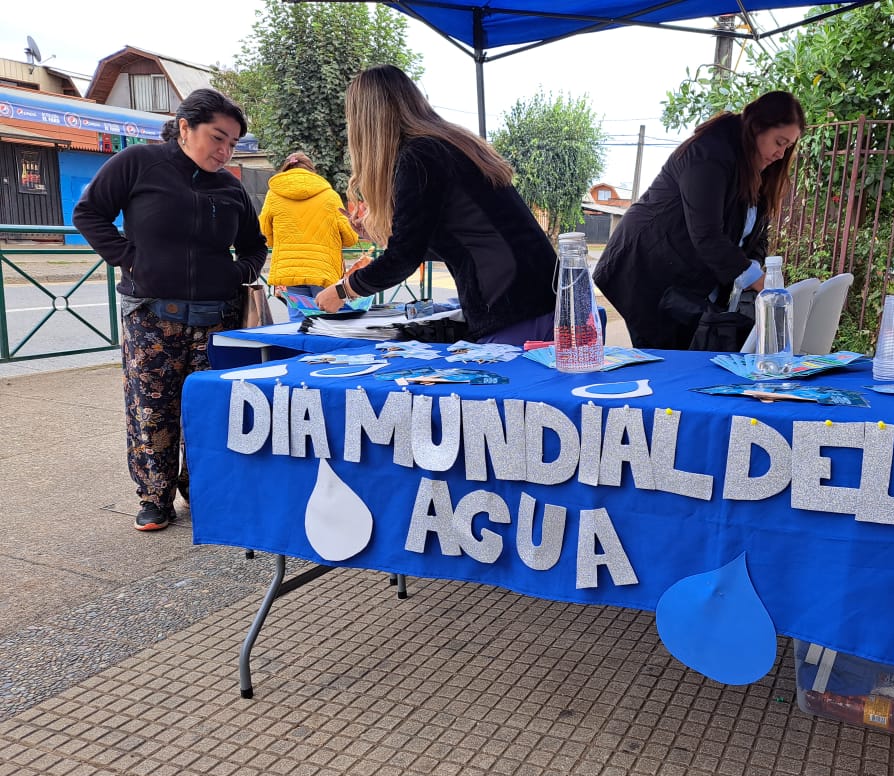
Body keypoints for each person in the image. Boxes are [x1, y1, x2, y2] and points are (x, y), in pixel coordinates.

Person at [73, 88, 267, 532]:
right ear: (184, 127)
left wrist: (238, 272)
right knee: (151, 409)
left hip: (217, 317)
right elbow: (89, 213)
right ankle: (153, 497)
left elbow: (256, 246)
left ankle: (200, 490)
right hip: (151, 315)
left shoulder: (231, 187)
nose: (225, 150)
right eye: (218, 138)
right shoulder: (139, 164)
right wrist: (128, 257)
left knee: (206, 409)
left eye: (233, 143)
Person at [313, 65, 557, 344]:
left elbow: (404, 257)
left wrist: (344, 290)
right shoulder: (449, 143)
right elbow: (460, 241)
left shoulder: (420, 155)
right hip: (536, 298)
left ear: (366, 121)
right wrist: (383, 235)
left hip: (514, 307)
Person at [592, 91, 805, 350]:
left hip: (686, 281)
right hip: (646, 271)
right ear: (757, 127)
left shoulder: (756, 169)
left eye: (788, 147)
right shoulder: (708, 154)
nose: (781, 154)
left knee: (685, 363)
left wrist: (755, 268)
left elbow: (757, 235)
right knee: (666, 365)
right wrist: (757, 280)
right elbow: (707, 235)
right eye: (779, 142)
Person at [259, 152, 360, 321]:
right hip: (324, 271)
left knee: (298, 324)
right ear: (312, 170)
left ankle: (300, 348)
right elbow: (350, 239)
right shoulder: (330, 196)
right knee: (329, 324)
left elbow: (265, 236)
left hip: (290, 269)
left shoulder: (273, 196)